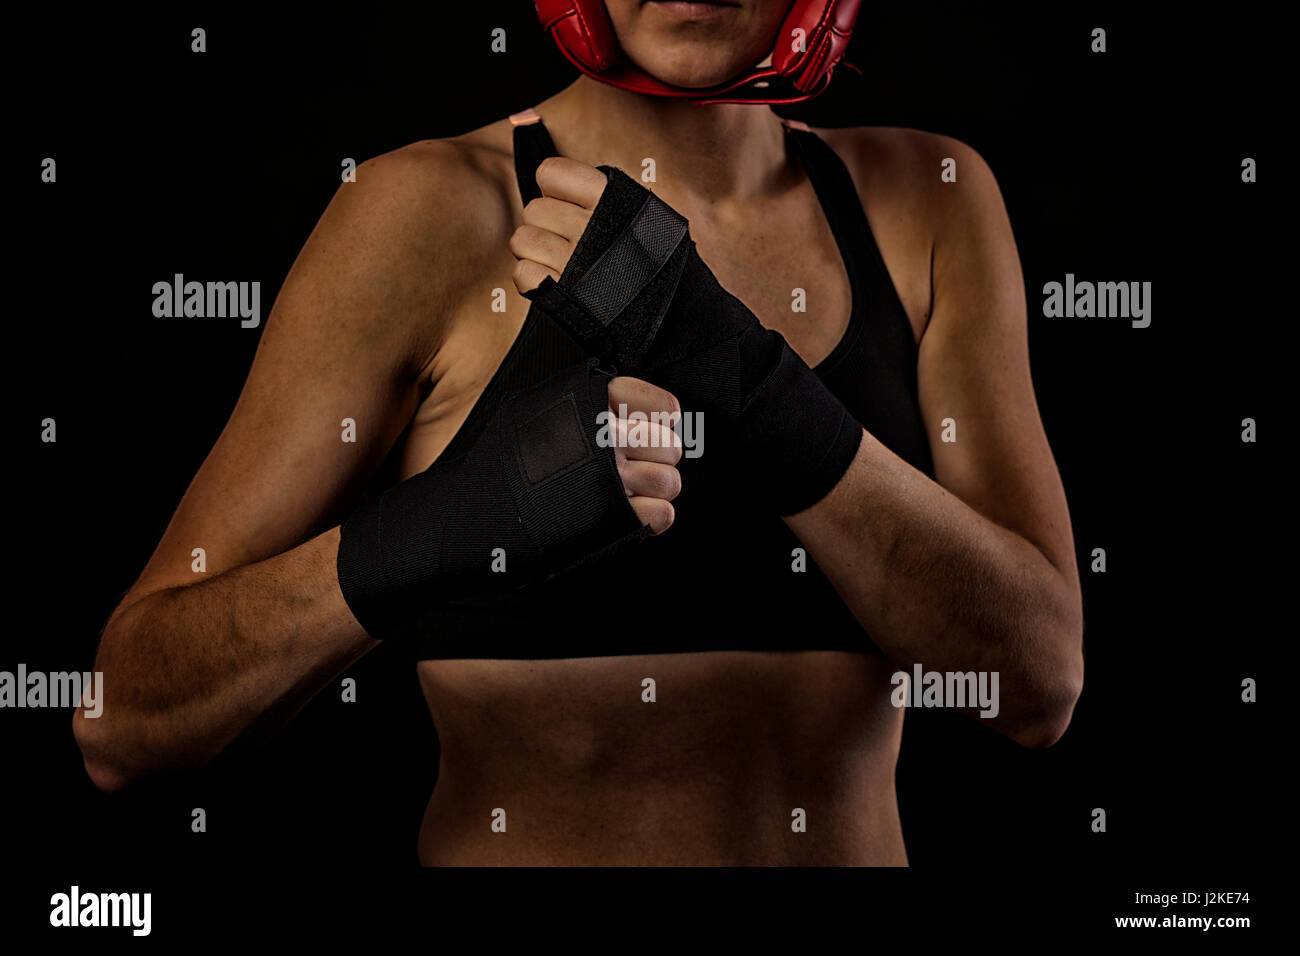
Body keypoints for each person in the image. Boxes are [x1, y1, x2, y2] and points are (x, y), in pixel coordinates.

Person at [74, 0, 1083, 865]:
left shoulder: (927, 201)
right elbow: (122, 717)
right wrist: (431, 533)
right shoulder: (423, 212)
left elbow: (1037, 684)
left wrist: (744, 380)